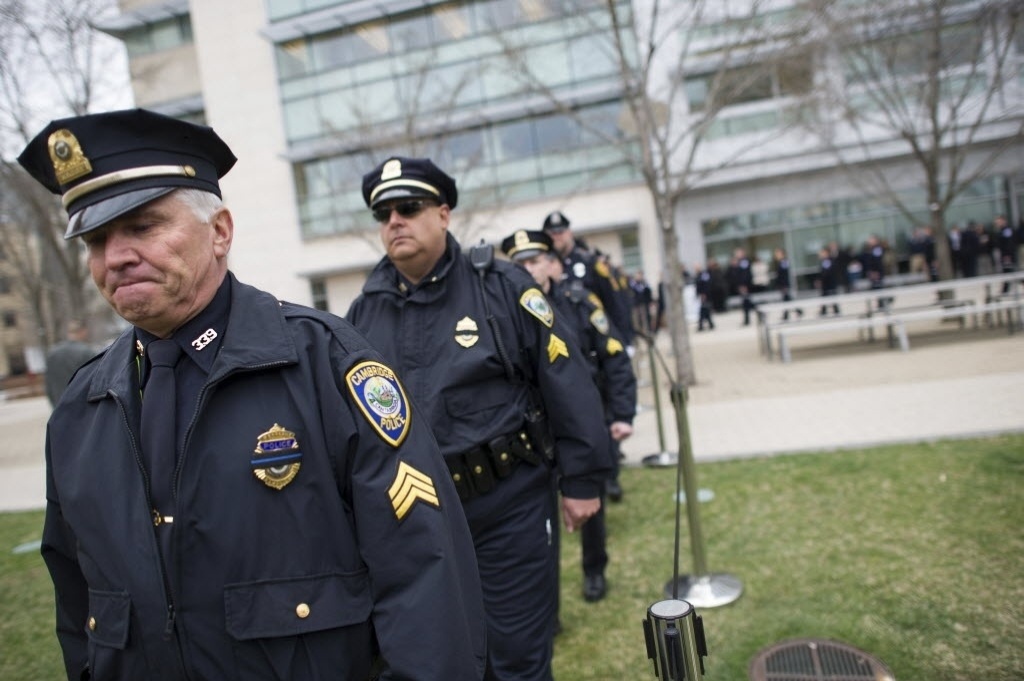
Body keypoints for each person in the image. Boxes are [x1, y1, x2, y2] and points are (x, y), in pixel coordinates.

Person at [18, 110, 485, 681]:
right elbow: (78, 605)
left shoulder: (327, 365)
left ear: (219, 232)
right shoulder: (81, 407)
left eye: (142, 227)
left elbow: (423, 576)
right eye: (96, 239)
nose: (115, 256)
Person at [346, 157, 610, 681]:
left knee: (517, 658)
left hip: (507, 505)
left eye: (409, 208)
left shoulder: (501, 286)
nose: (394, 221)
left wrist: (581, 478)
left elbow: (565, 376)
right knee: (442, 660)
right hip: (417, 521)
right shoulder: (363, 313)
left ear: (443, 215)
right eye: (383, 213)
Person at [500, 229, 636, 604]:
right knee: (539, 525)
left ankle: (595, 571)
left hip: (581, 421)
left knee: (588, 502)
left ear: (552, 264)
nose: (528, 269)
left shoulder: (579, 302)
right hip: (531, 434)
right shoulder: (502, 311)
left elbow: (615, 358)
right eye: (519, 264)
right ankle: (549, 606)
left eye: (534, 261)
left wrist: (622, 413)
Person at [542, 210, 634, 348]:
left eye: (560, 232)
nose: (556, 237)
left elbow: (615, 303)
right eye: (551, 234)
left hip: (599, 339)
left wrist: (625, 341)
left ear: (569, 233)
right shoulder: (544, 265)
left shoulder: (590, 262)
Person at [44, 319, 96, 407]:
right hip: (83, 406)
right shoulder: (87, 352)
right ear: (83, 331)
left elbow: (48, 384)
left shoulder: (52, 353)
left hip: (59, 406)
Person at [817, 247, 841, 316]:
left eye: (822, 253)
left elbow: (827, 273)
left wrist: (821, 280)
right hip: (826, 284)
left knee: (831, 297)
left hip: (829, 283)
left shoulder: (828, 261)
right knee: (825, 297)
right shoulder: (823, 262)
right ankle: (824, 311)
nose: (820, 254)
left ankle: (834, 311)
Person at [693, 262, 715, 331]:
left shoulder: (704, 274)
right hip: (702, 295)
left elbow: (706, 285)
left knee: (703, 310)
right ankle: (709, 324)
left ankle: (701, 326)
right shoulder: (698, 275)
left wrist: (704, 294)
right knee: (704, 310)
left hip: (704, 295)